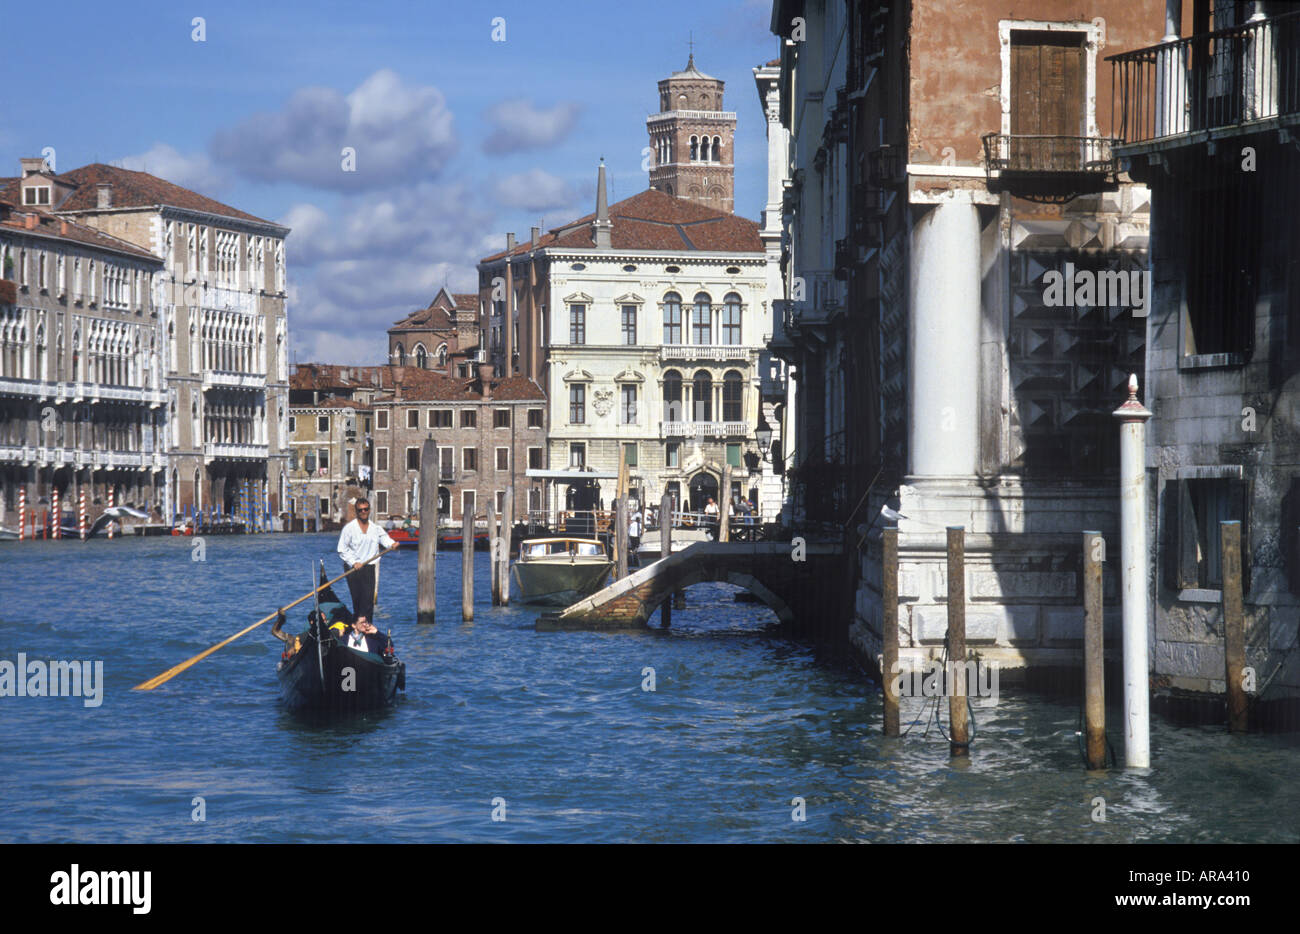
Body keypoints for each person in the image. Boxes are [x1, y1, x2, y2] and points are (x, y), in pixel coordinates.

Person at [336, 497, 395, 626]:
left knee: (368, 601)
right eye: (360, 510)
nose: (363, 511)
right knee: (357, 600)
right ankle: (357, 627)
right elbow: (342, 549)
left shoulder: (375, 528)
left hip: (369, 567)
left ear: (369, 510)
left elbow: (384, 539)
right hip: (353, 568)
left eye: (366, 509)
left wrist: (392, 544)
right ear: (357, 511)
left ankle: (367, 627)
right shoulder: (349, 528)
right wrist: (353, 562)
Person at [628, 502, 643, 568]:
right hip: (636, 537)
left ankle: (633, 558)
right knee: (636, 548)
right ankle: (635, 559)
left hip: (632, 537)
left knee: (633, 548)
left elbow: (629, 531)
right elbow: (642, 531)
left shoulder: (632, 524)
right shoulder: (640, 525)